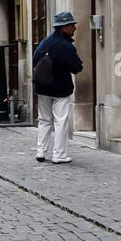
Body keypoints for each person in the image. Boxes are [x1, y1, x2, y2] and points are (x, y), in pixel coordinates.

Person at [33, 11, 84, 164]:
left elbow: (35, 58)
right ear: (64, 27)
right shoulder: (66, 46)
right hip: (60, 89)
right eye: (71, 25)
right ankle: (59, 154)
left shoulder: (45, 42)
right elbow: (77, 68)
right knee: (60, 121)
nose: (75, 27)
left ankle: (41, 151)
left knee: (44, 120)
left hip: (42, 87)